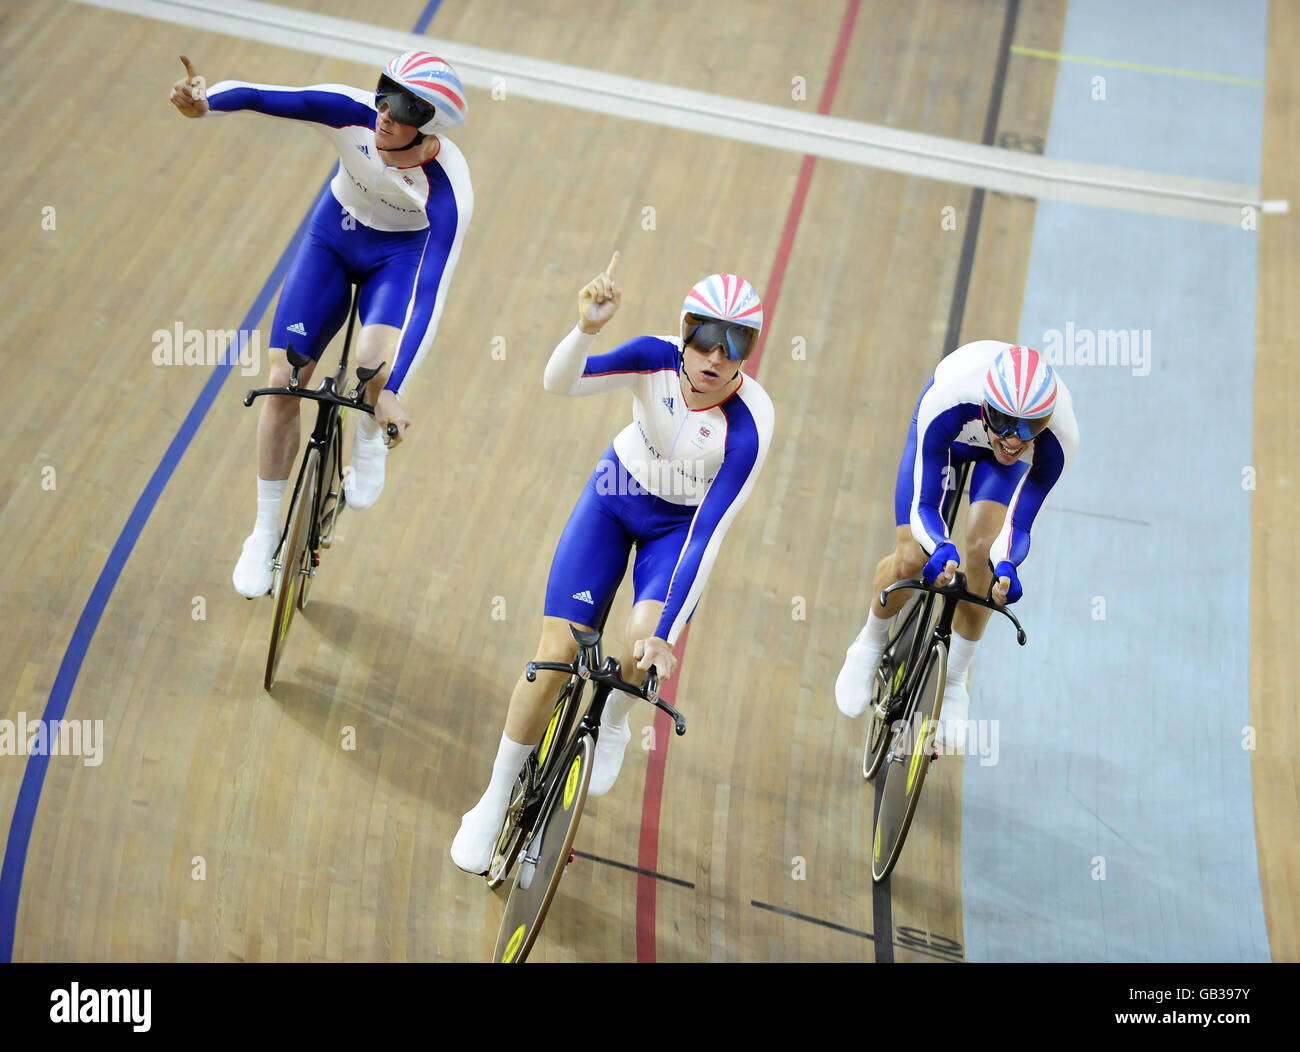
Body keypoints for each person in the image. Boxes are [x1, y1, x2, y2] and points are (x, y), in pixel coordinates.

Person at [450, 257, 775, 874]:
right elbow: (560, 383)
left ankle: (617, 719)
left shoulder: (752, 425)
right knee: (553, 657)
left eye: (733, 346)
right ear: (684, 332)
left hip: (678, 529)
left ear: (747, 354)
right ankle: (491, 802)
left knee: (638, 645)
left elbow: (708, 536)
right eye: (704, 337)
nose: (714, 357)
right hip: (615, 492)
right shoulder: (652, 356)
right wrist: (586, 331)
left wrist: (664, 632)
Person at [168, 51, 474, 597]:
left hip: (399, 260)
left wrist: (391, 390)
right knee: (284, 381)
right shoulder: (352, 112)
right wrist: (206, 102)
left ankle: (367, 434)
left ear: (428, 125)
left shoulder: (448, 188)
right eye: (385, 92)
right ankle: (263, 534)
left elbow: (429, 297)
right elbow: (268, 96)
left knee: (372, 365)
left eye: (403, 106)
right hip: (334, 236)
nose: (385, 111)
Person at [835, 342, 1078, 751]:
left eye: (1027, 427)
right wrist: (940, 547)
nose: (1014, 440)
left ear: (1045, 421)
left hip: (992, 465)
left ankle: (953, 681)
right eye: (1003, 421)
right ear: (987, 407)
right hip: (950, 440)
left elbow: (1020, 523)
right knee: (913, 556)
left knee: (984, 553)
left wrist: (1008, 565)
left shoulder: (1059, 437)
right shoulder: (950, 398)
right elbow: (924, 505)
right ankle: (870, 641)